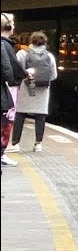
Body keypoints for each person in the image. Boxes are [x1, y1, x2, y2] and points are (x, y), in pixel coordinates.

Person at [9, 31, 57, 153]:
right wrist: (42, 81)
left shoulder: (22, 53)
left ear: (31, 41)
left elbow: (16, 70)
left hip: (25, 89)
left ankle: (15, 143)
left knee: (20, 115)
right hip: (42, 91)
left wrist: (27, 80)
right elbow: (53, 75)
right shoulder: (49, 56)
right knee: (40, 116)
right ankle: (38, 144)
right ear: (45, 42)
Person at [1, 13, 22, 167]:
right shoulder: (5, 46)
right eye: (13, 23)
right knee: (5, 122)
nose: (14, 25)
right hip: (2, 93)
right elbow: (12, 71)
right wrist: (27, 74)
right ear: (7, 26)